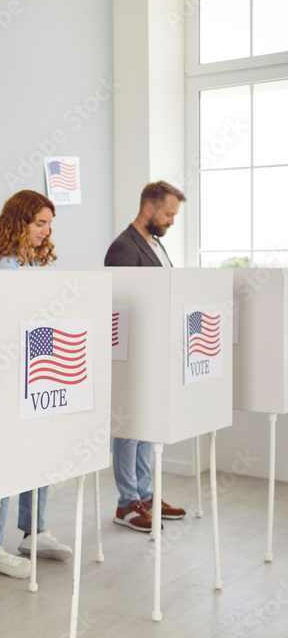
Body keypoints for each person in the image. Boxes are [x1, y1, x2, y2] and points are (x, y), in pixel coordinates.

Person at [0, 190, 74, 578]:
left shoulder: (26, 263)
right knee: (3, 464)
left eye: (49, 224)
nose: (46, 232)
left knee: (38, 454)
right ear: (20, 222)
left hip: (33, 377)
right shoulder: (4, 268)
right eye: (40, 223)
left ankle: (34, 529)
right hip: (7, 380)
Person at [105, 180, 188, 531]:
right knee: (128, 430)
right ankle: (127, 503)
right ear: (149, 208)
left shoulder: (156, 245)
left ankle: (147, 494)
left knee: (146, 427)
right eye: (168, 214)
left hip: (157, 351)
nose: (171, 221)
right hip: (132, 355)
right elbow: (119, 306)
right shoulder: (124, 247)